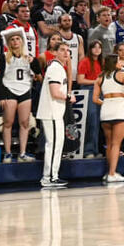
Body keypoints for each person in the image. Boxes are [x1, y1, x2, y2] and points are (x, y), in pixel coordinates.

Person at [36, 42, 72, 188]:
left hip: (55, 112)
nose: (65, 53)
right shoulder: (56, 68)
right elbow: (55, 92)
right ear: (55, 52)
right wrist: (70, 96)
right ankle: (49, 177)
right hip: (51, 112)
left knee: (56, 144)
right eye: (62, 50)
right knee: (54, 144)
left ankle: (51, 176)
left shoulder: (59, 68)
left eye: (68, 50)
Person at [93, 54, 124, 183]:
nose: (121, 63)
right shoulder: (122, 75)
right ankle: (112, 173)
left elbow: (95, 99)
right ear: (115, 63)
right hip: (118, 109)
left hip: (106, 111)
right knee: (117, 143)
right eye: (119, 61)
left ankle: (109, 172)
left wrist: (105, 103)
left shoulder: (100, 78)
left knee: (109, 143)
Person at [0, 27, 34, 162]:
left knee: (25, 123)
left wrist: (33, 61)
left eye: (17, 39)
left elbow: (36, 72)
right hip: (9, 90)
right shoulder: (4, 58)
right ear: (8, 43)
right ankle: (7, 153)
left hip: (25, 90)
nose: (15, 41)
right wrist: (1, 96)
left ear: (22, 41)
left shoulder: (28, 57)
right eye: (12, 39)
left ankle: (22, 153)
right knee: (8, 122)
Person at [76, 39, 103, 158]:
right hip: (88, 90)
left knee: (97, 122)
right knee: (91, 121)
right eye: (94, 47)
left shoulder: (102, 62)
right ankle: (88, 151)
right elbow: (80, 80)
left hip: (100, 91)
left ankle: (96, 150)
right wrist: (96, 82)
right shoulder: (85, 61)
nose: (97, 49)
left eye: (99, 47)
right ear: (90, 49)